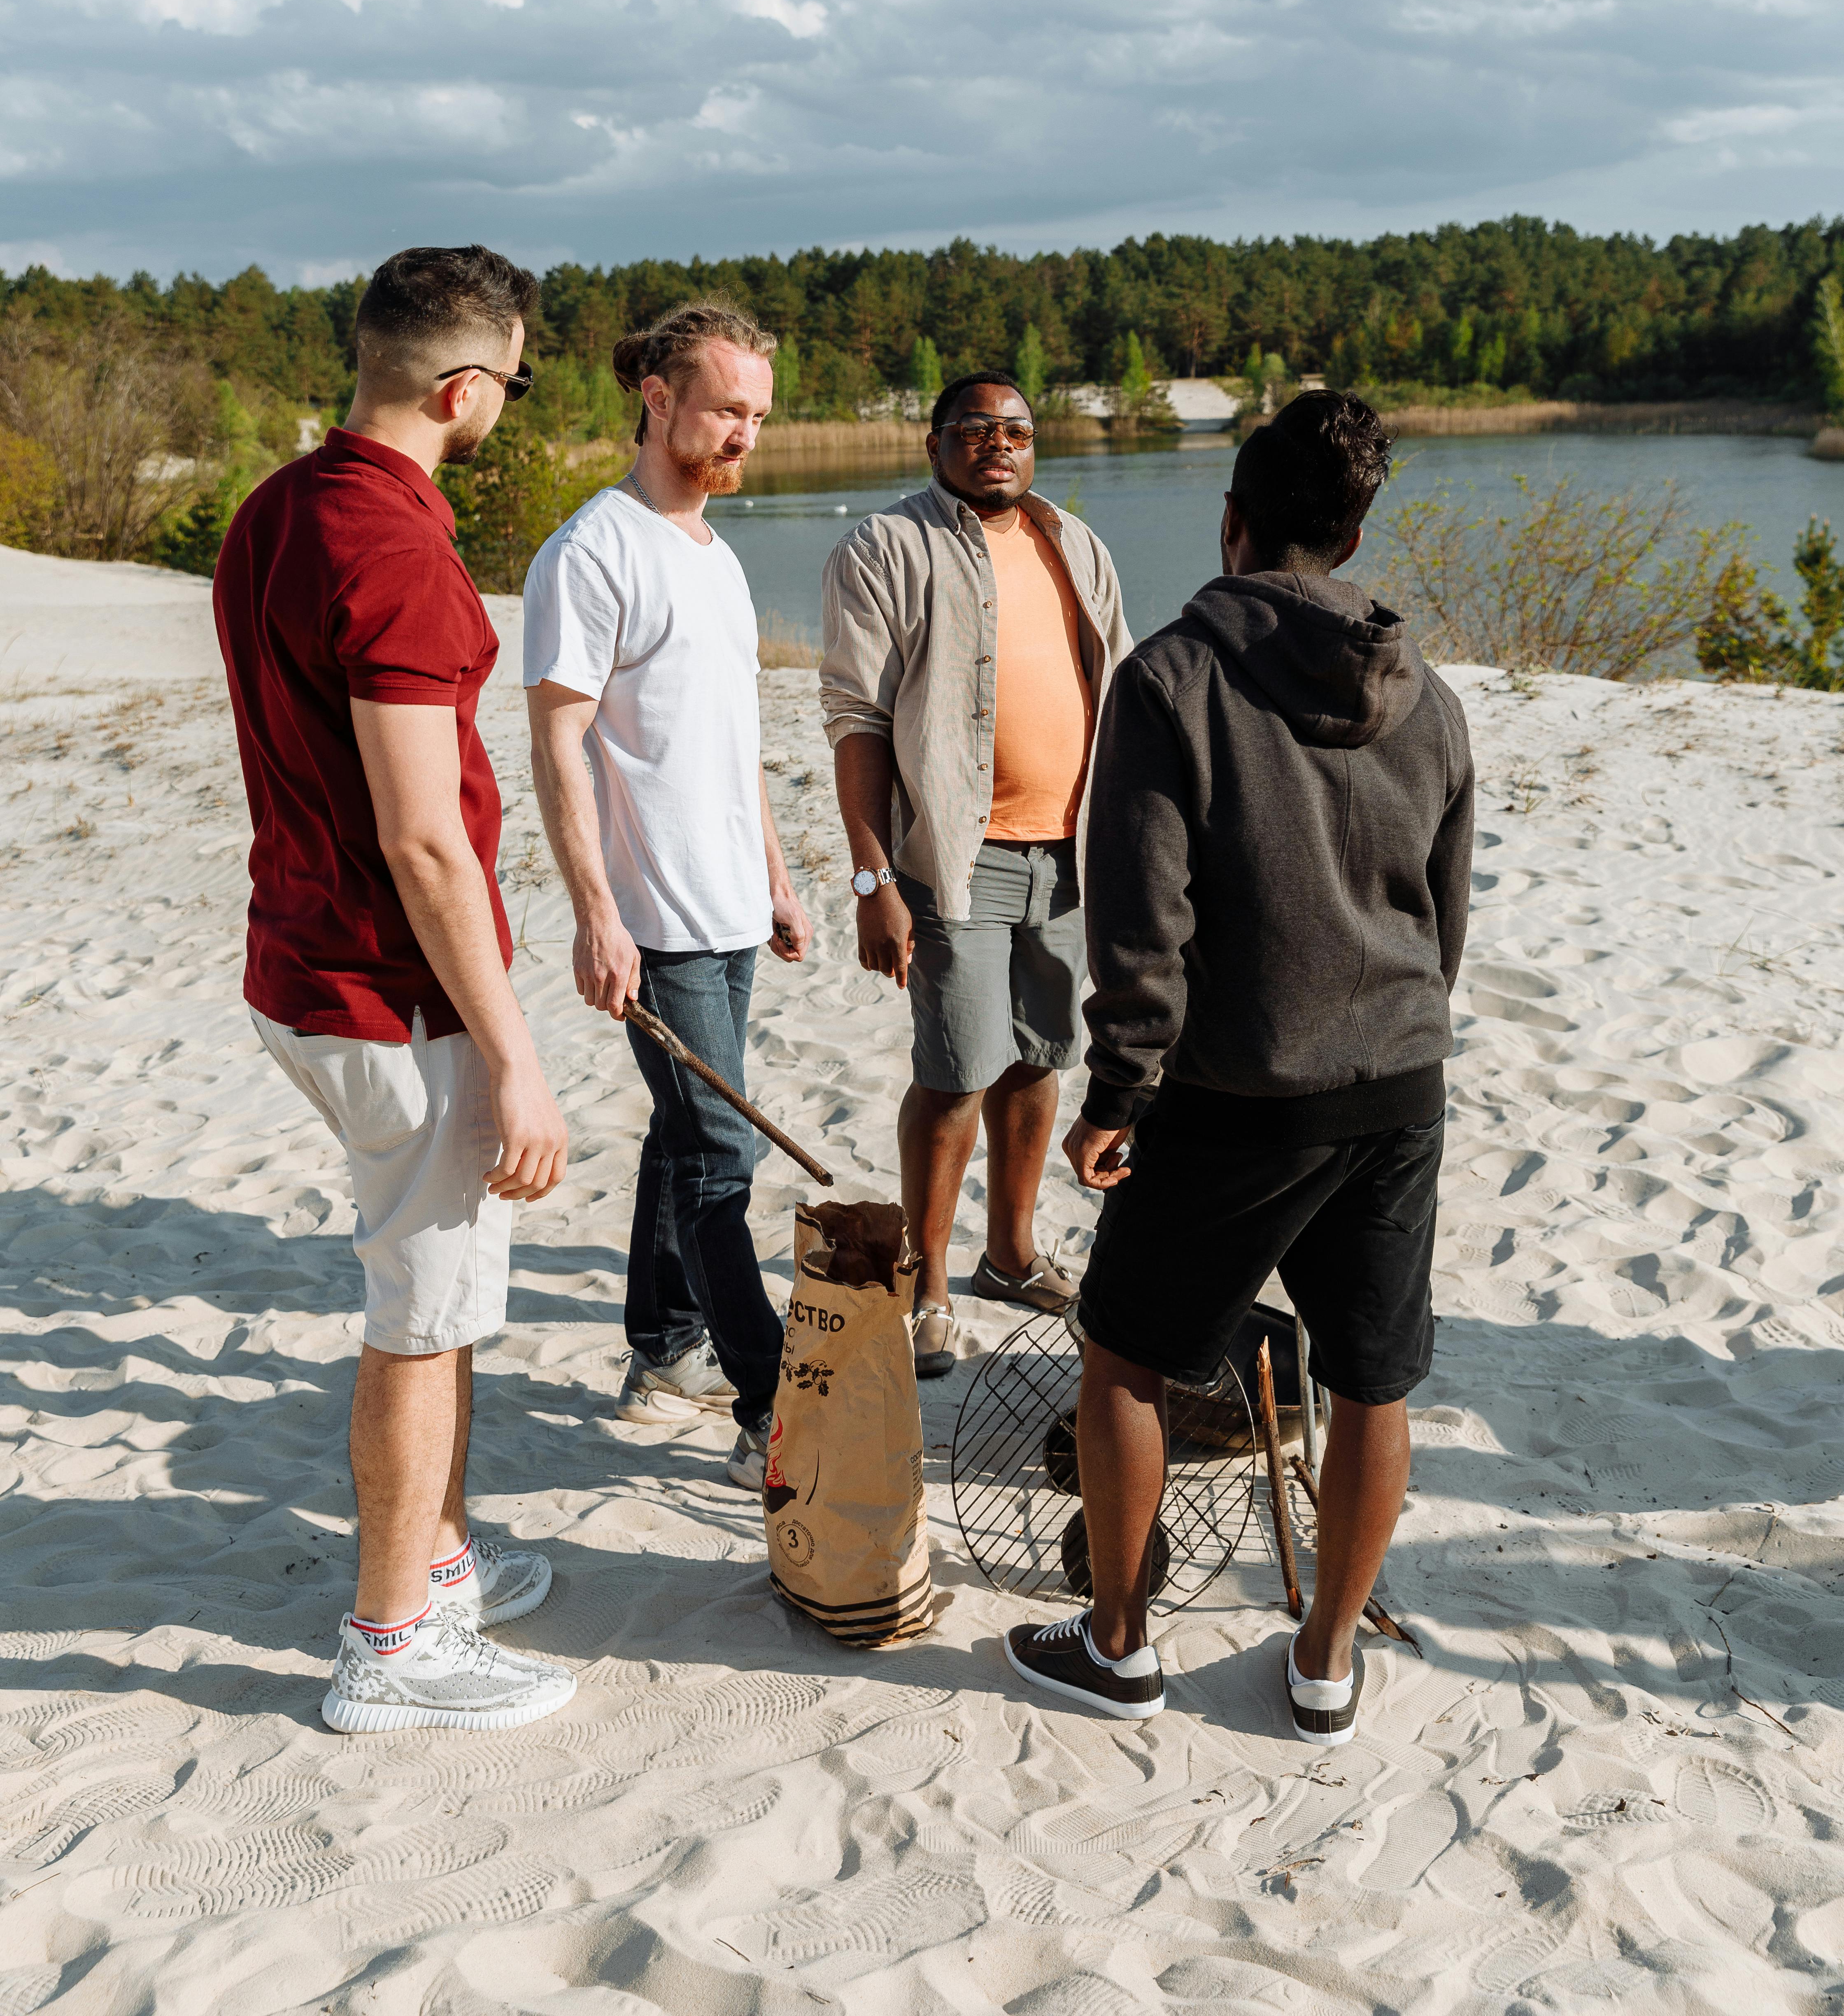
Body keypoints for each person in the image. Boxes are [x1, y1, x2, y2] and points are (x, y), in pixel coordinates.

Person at [1004, 389, 1473, 1737]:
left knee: (1125, 1359)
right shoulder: (1426, 695)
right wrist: (1396, 1037)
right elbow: (1444, 915)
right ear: (1354, 529)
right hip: (1397, 1080)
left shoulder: (1170, 677)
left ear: (1234, 523)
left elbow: (1145, 925)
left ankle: (1119, 1641)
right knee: (1372, 1376)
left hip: (1235, 1093)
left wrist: (1117, 1095)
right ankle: (1325, 1663)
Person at [213, 243, 577, 1736]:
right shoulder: (397, 554)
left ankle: (436, 1553)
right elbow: (424, 837)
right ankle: (390, 1643)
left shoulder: (280, 509)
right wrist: (514, 1052)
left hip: (299, 963)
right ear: (466, 385)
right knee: (424, 1309)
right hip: (384, 989)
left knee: (445, 1287)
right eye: (517, 381)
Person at [524, 302, 812, 1492]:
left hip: (733, 898)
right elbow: (555, 738)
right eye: (726, 409)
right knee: (719, 1157)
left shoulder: (719, 554)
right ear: (658, 398)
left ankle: (659, 1356)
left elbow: (732, 738)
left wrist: (780, 875)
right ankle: (770, 1405)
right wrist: (595, 910)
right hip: (656, 914)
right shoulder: (593, 550)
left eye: (757, 414)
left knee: (685, 1136)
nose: (744, 433)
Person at [820, 372, 1132, 1376]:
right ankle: (928, 1288)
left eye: (1016, 431)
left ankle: (1009, 1254)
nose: (998, 445)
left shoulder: (1074, 544)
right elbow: (858, 720)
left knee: (1041, 1055)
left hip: (1071, 852)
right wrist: (873, 881)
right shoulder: (886, 546)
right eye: (974, 429)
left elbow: (1120, 690)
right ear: (934, 443)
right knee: (955, 1069)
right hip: (954, 858)